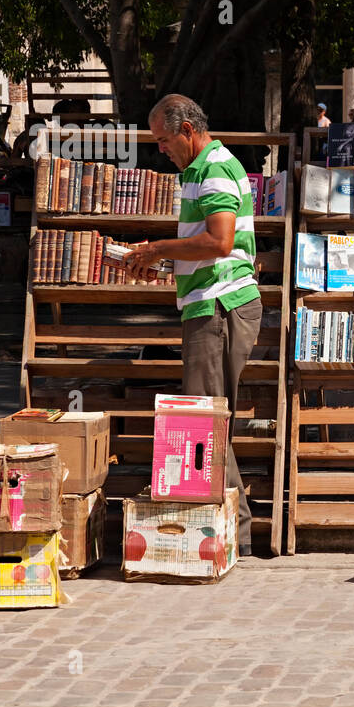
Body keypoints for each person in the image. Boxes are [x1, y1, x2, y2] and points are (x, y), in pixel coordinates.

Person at [124, 94, 260, 557]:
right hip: (212, 304)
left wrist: (158, 250)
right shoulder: (198, 171)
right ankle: (228, 528)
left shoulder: (214, 168)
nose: (160, 149)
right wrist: (158, 262)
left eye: (163, 140)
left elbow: (219, 243)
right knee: (208, 420)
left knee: (205, 420)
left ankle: (233, 532)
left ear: (186, 130)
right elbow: (208, 248)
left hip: (219, 308)